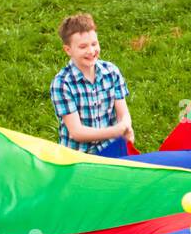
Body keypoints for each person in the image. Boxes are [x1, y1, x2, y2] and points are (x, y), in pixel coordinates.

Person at [50, 13, 135, 154]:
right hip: (78, 155)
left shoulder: (111, 72)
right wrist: (116, 131)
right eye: (83, 47)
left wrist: (126, 127)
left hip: (111, 148)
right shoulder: (62, 83)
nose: (91, 51)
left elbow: (123, 113)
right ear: (68, 50)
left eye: (94, 44)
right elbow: (77, 132)